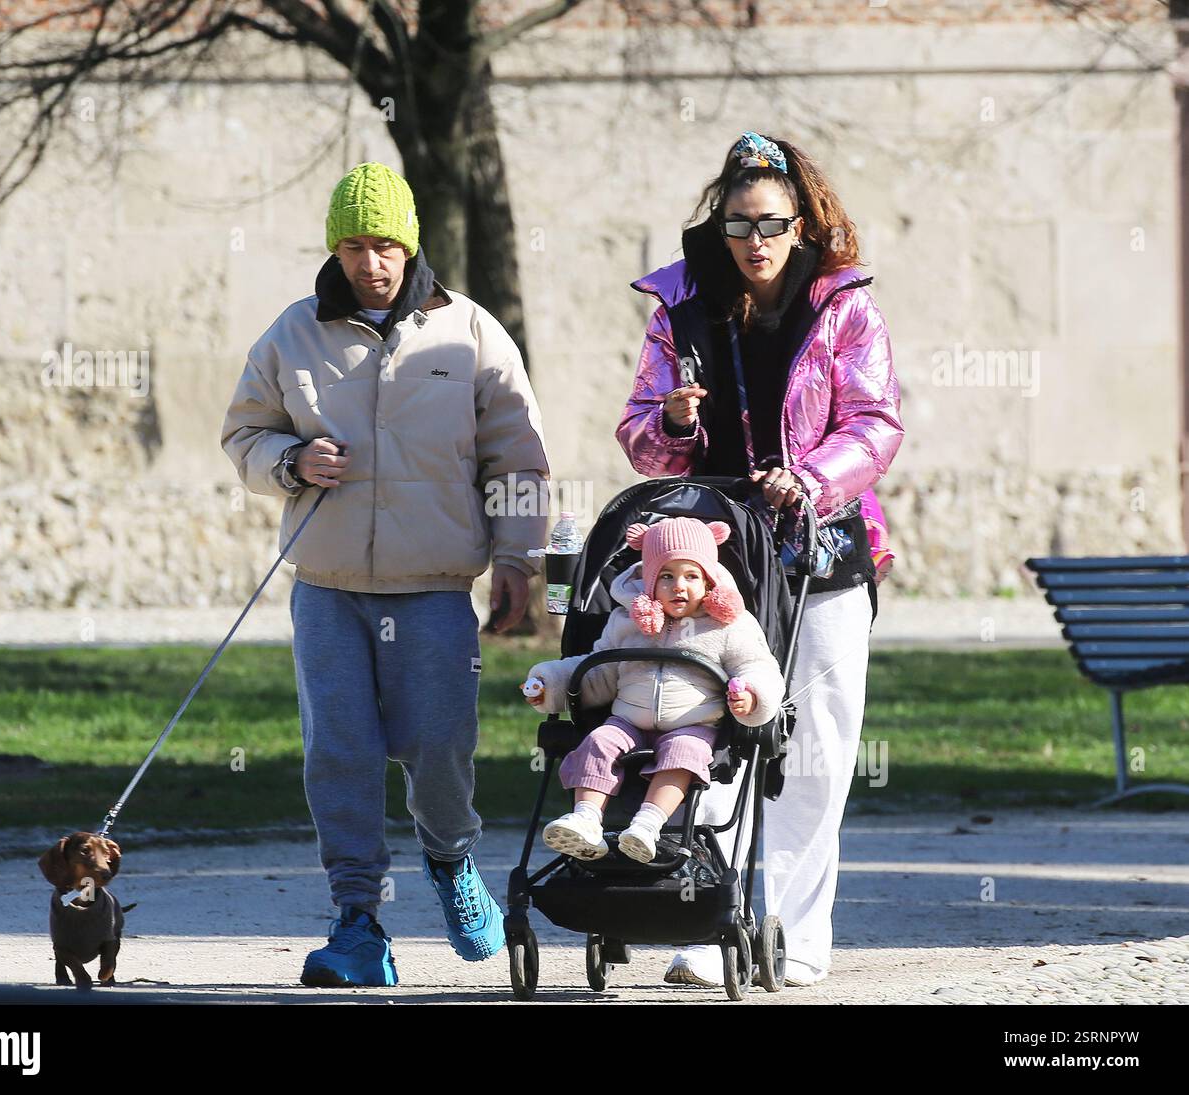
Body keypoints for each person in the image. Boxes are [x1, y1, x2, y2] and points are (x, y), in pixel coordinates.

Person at [221, 162, 550, 987]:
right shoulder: (293, 333)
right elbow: (243, 438)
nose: (373, 262)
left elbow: (520, 456)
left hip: (436, 586)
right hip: (327, 588)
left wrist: (517, 557)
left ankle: (450, 859)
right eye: (357, 245)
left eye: (388, 245)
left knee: (441, 747)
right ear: (335, 247)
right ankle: (358, 922)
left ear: (412, 246)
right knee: (339, 753)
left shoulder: (468, 332)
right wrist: (291, 459)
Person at [617, 131, 903, 988]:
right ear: (722, 227)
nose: (755, 241)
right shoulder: (680, 308)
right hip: (714, 559)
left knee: (813, 745)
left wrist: (811, 478)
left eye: (772, 223)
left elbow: (876, 423)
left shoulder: (847, 308)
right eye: (739, 225)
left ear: (804, 222)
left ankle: (796, 931)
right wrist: (669, 422)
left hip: (823, 553)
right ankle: (706, 919)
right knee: (707, 728)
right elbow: (638, 438)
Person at [523, 517, 784, 864]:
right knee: (599, 742)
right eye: (666, 576)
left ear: (709, 580)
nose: (679, 586)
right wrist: (549, 684)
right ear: (648, 580)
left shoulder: (728, 626)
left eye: (692, 576)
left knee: (685, 753)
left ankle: (647, 824)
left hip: (694, 722)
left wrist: (751, 695)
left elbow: (756, 665)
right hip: (629, 718)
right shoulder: (626, 622)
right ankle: (586, 818)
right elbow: (597, 670)